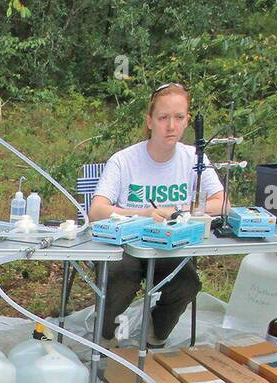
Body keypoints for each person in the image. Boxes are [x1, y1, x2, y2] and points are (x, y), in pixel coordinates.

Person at [89, 83, 227, 348]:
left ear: (187, 120)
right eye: (163, 118)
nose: (171, 126)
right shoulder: (124, 160)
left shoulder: (194, 157)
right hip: (126, 246)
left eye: (178, 118)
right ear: (150, 121)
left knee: (187, 282)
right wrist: (146, 213)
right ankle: (106, 336)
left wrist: (178, 212)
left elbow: (222, 203)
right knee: (122, 277)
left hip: (169, 245)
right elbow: (97, 211)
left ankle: (156, 334)